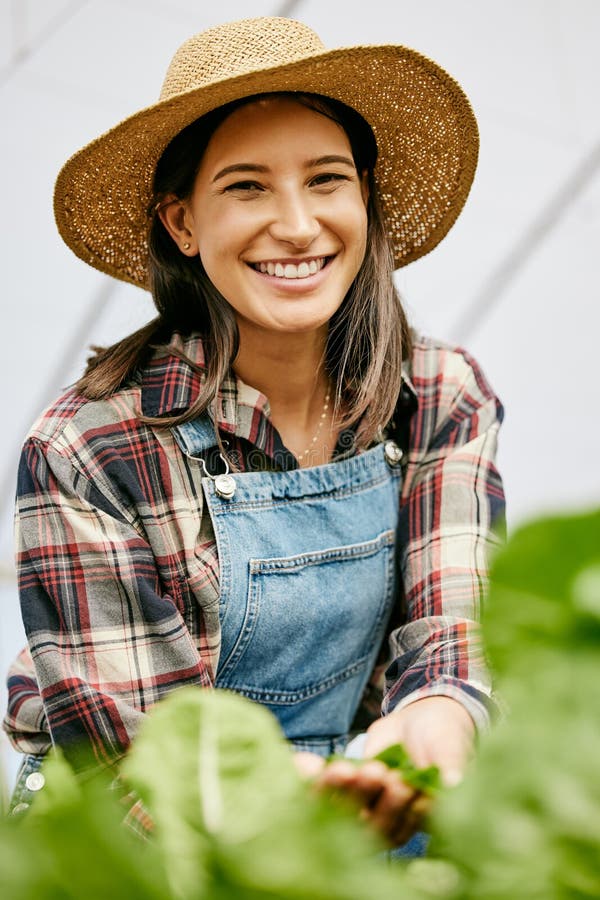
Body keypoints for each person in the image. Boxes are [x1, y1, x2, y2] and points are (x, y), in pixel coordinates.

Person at [3, 17, 505, 848]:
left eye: (326, 180)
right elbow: (130, 754)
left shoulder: (437, 395)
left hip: (359, 796)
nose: (300, 226)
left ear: (366, 196)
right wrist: (273, 796)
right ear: (182, 223)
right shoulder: (89, 448)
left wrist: (439, 719)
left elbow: (455, 626)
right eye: (246, 187)